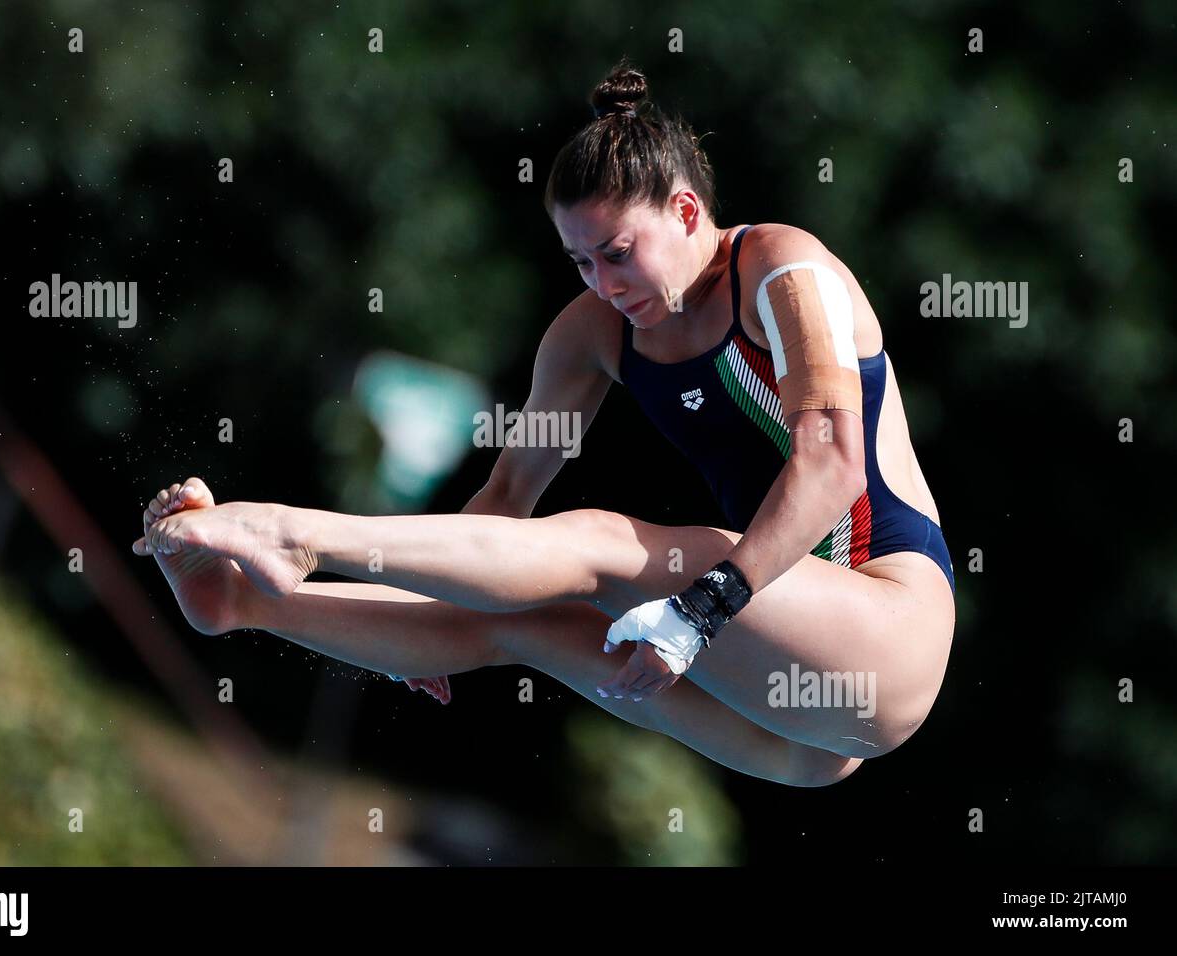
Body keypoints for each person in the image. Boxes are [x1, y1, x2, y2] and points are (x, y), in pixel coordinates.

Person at [131, 60, 955, 787]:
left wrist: (702, 611)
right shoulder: (590, 335)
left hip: (888, 637)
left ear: (686, 211)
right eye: (581, 261)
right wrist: (427, 610)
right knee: (509, 624)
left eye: (620, 252)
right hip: (805, 742)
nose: (604, 283)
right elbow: (505, 499)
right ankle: (241, 603)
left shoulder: (784, 270)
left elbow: (832, 464)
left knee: (607, 544)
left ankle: (289, 531)